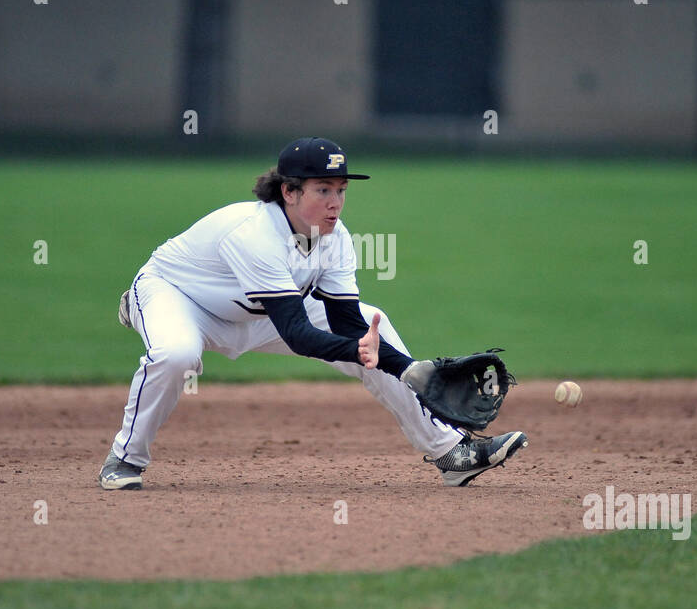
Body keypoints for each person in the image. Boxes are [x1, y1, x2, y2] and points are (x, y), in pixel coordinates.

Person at [98, 137, 528, 489]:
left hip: (260, 310)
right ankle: (124, 459)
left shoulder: (334, 237)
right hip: (181, 298)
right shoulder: (254, 235)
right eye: (323, 189)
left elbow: (346, 323)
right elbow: (300, 336)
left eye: (341, 190)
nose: (335, 202)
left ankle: (452, 453)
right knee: (176, 355)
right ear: (289, 191)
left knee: (373, 319)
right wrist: (370, 354)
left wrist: (411, 370)